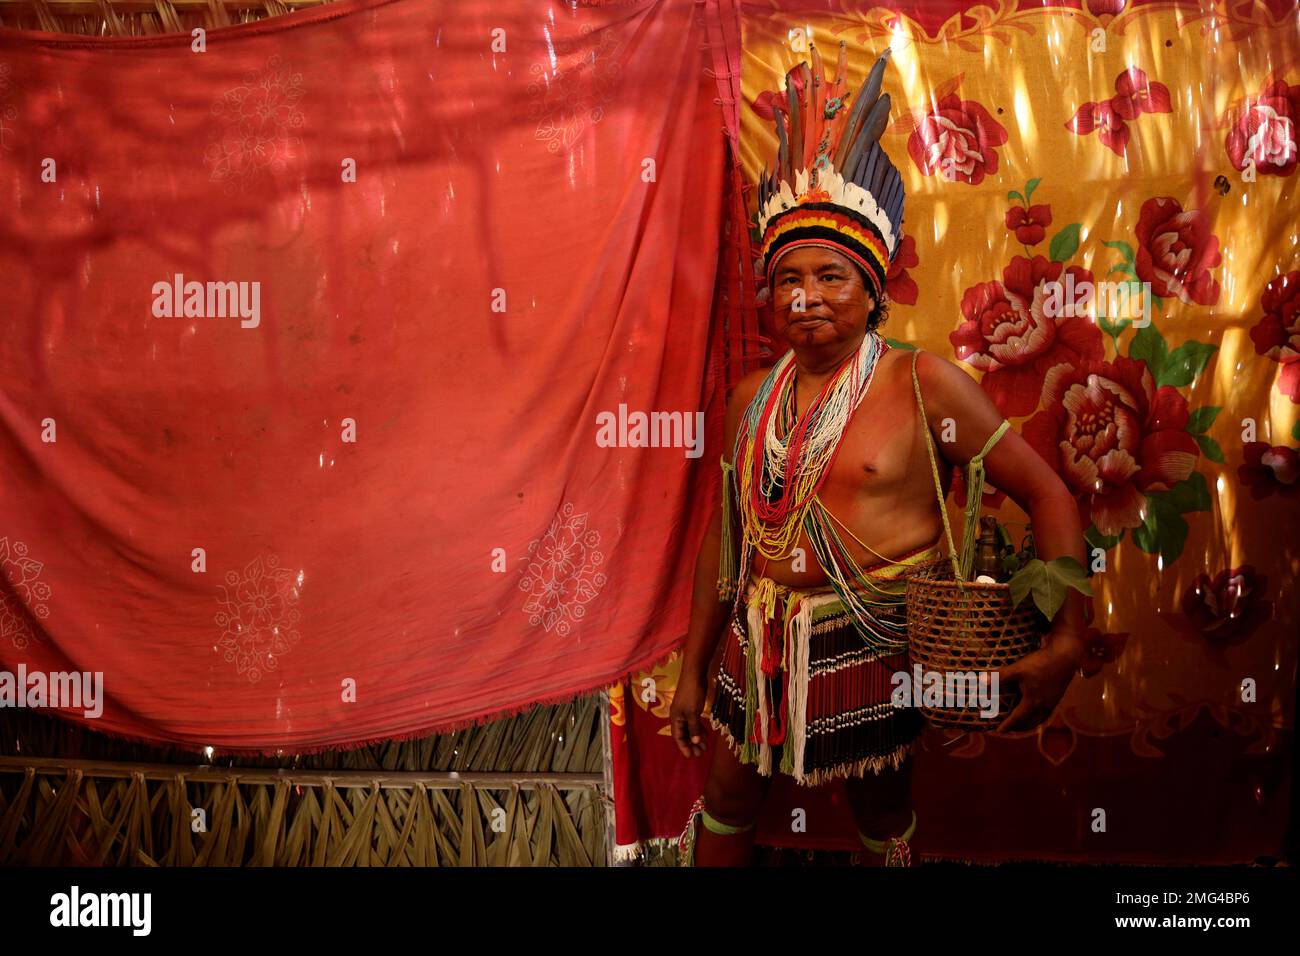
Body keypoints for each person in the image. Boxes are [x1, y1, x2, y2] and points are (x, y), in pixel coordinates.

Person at [669, 42, 1087, 867]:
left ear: (870, 290)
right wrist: (691, 671)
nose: (807, 297)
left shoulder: (924, 385)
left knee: (880, 803)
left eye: (831, 277)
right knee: (725, 794)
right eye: (789, 280)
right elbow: (726, 543)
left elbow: (1050, 495)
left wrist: (1068, 640)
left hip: (873, 642)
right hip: (760, 640)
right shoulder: (751, 401)